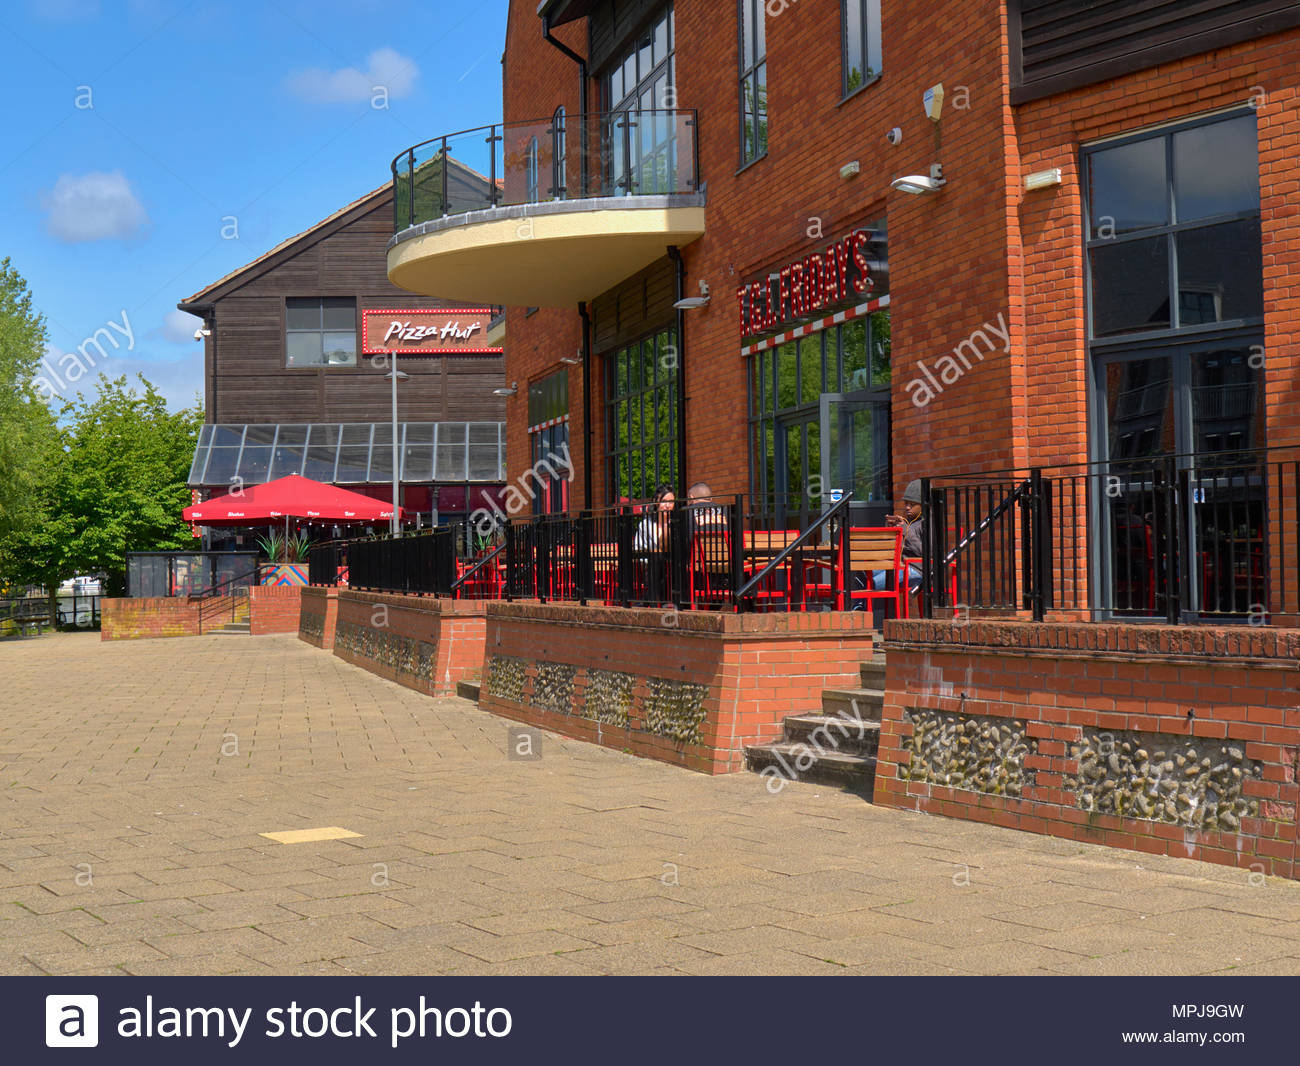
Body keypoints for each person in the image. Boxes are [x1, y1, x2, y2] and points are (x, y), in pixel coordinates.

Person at [873, 479, 925, 595]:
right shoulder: (909, 521)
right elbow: (892, 548)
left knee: (872, 582)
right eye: (906, 503)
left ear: (923, 504)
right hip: (899, 565)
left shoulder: (929, 523)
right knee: (863, 572)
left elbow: (926, 552)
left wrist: (906, 531)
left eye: (912, 504)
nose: (907, 507)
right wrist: (891, 529)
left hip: (918, 570)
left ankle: (860, 610)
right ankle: (859, 609)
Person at [634, 485, 675, 551]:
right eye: (663, 501)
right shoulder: (645, 524)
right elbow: (638, 548)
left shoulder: (677, 523)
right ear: (656, 502)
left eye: (671, 502)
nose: (667, 506)